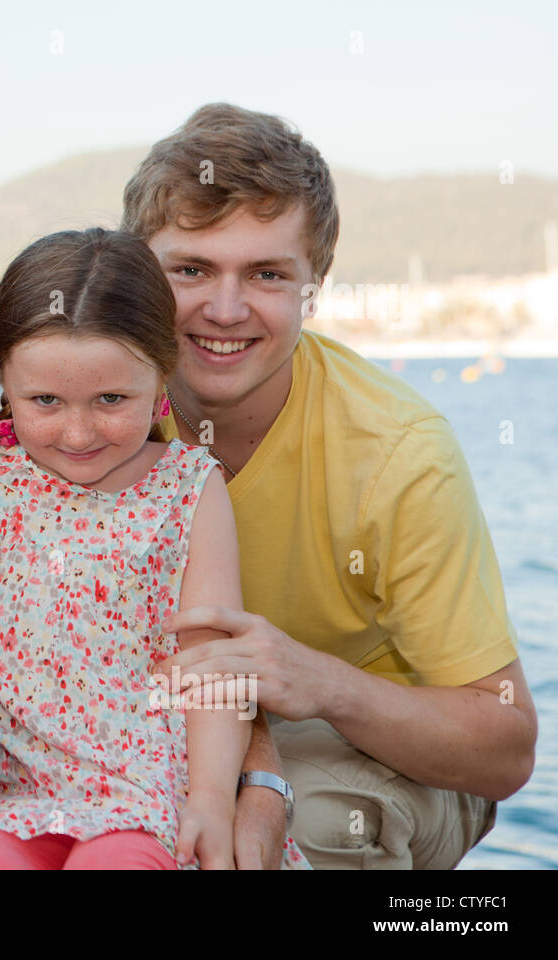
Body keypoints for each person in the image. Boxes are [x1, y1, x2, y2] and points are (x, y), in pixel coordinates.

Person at [123, 103, 537, 868]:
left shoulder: (399, 453)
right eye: (190, 270)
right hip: (182, 722)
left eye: (267, 274)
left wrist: (318, 684)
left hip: (377, 742)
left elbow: (507, 750)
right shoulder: (95, 415)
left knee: (309, 822)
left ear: (315, 287)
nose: (224, 308)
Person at [0, 228, 308, 869]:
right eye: (45, 400)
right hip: (12, 798)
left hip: (148, 797)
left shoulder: (188, 487)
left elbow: (213, 664)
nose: (78, 432)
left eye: (112, 399)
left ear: (162, 374)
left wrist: (215, 800)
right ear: (2, 377)